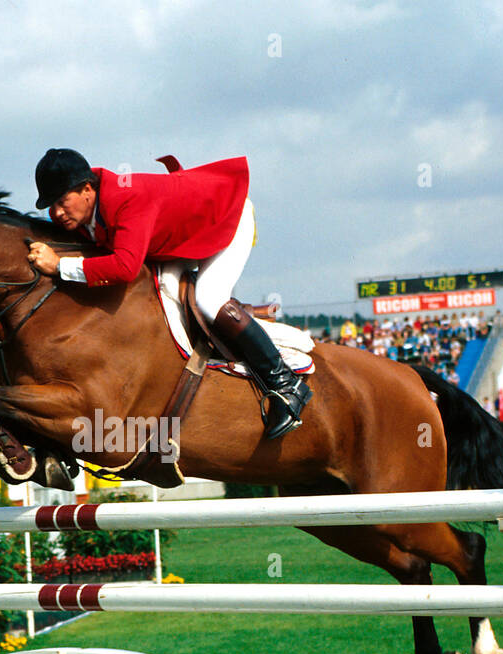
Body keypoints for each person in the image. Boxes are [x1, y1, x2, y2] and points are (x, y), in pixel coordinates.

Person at [25, 148, 311, 439]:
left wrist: (60, 266)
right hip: (176, 235)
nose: (57, 213)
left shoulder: (124, 199)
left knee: (209, 300)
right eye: (51, 205)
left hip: (225, 214)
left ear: (87, 189)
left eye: (62, 201)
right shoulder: (89, 208)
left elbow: (125, 268)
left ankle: (286, 385)